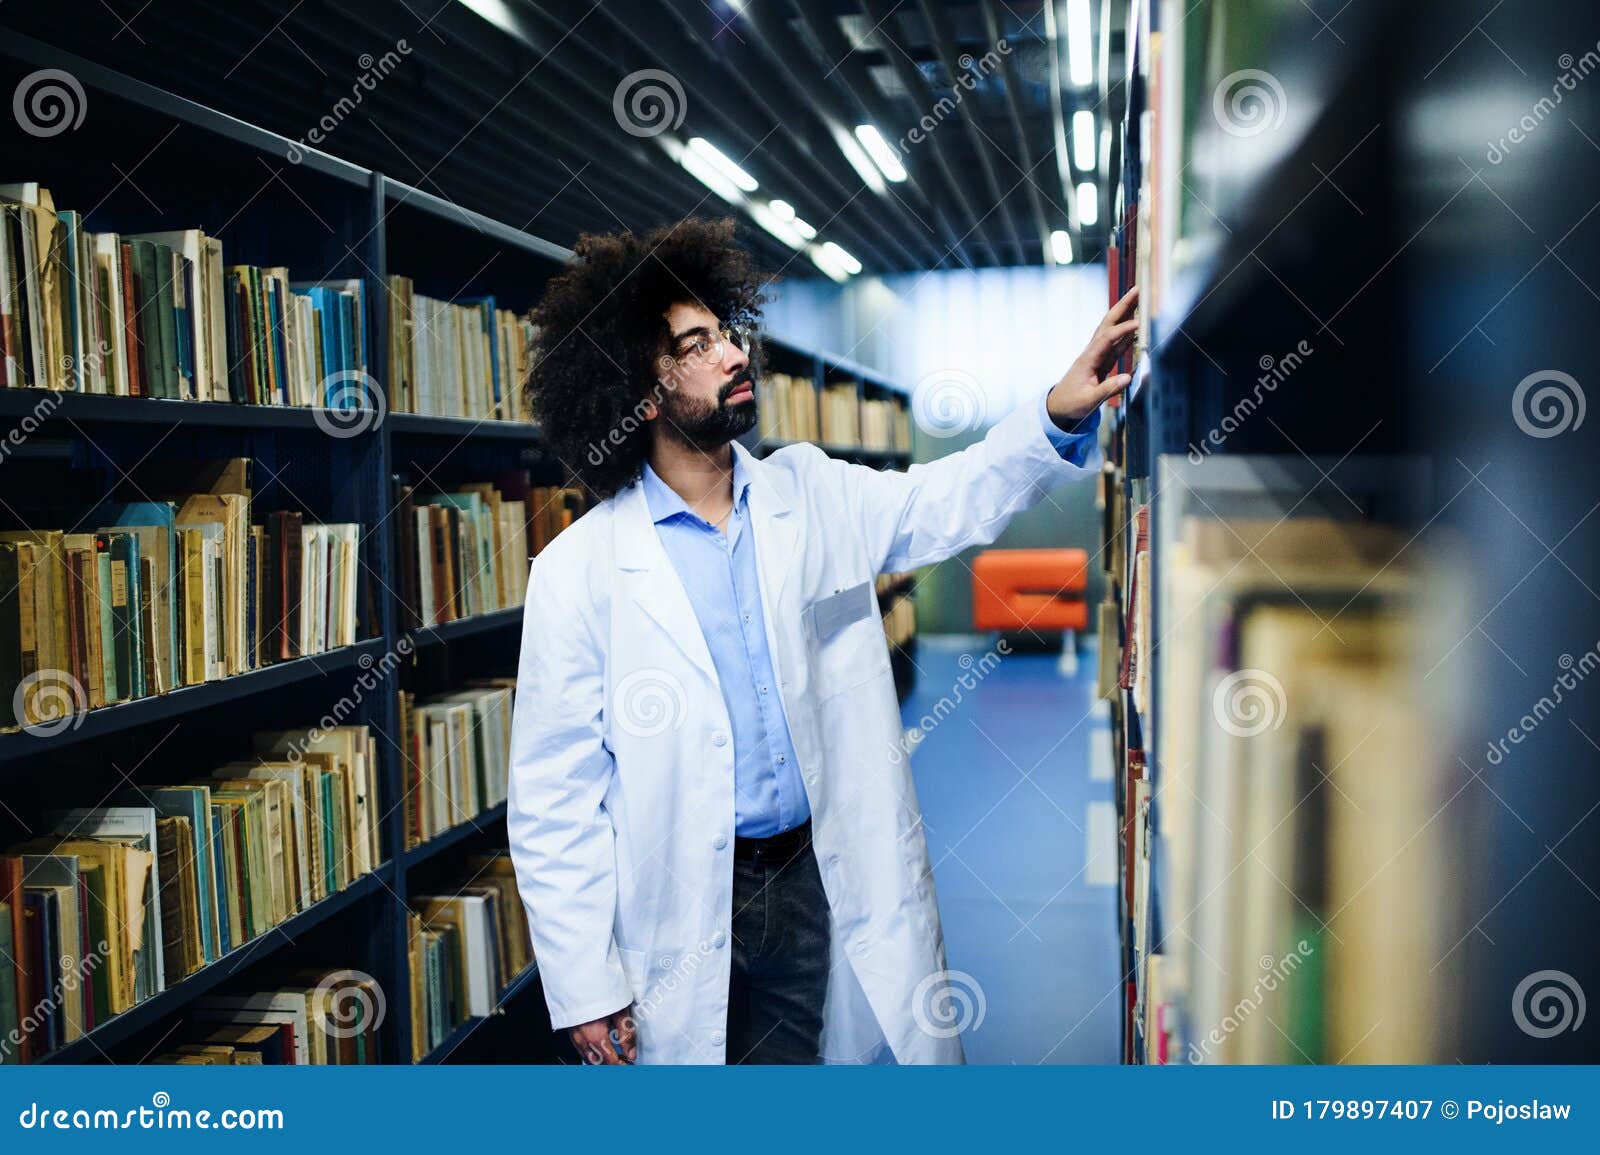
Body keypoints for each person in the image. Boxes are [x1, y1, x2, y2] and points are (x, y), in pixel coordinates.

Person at [507, 217, 1137, 1065]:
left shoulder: (808, 492)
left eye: (728, 333)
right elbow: (554, 797)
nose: (735, 355)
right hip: (682, 904)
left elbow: (940, 501)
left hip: (810, 878)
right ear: (642, 391)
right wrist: (586, 984)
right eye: (698, 345)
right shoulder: (578, 570)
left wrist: (1056, 411)